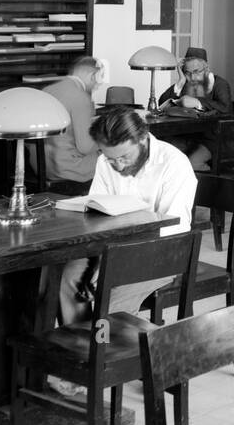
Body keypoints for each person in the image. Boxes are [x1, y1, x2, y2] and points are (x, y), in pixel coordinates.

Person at [55, 108, 197, 336]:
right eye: (111, 159)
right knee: (68, 278)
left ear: (142, 139)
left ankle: (110, 361)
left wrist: (116, 262)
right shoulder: (104, 162)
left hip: (162, 253)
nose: (118, 166)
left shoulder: (174, 164)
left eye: (124, 157)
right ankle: (83, 352)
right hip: (113, 248)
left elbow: (174, 229)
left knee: (110, 295)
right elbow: (97, 214)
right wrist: (104, 258)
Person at [158, 47, 234, 169]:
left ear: (206, 69)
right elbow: (162, 103)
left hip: (217, 139)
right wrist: (180, 81)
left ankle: (209, 185)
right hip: (191, 136)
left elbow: (225, 109)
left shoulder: (220, 84)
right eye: (188, 73)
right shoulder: (185, 83)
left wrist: (197, 102)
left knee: (192, 163)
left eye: (197, 72)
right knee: (167, 156)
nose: (193, 78)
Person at [38, 56, 101, 196]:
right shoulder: (81, 97)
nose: (99, 84)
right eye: (99, 78)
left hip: (42, 165)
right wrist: (104, 138)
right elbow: (85, 147)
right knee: (117, 159)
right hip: (70, 169)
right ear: (92, 75)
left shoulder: (47, 90)